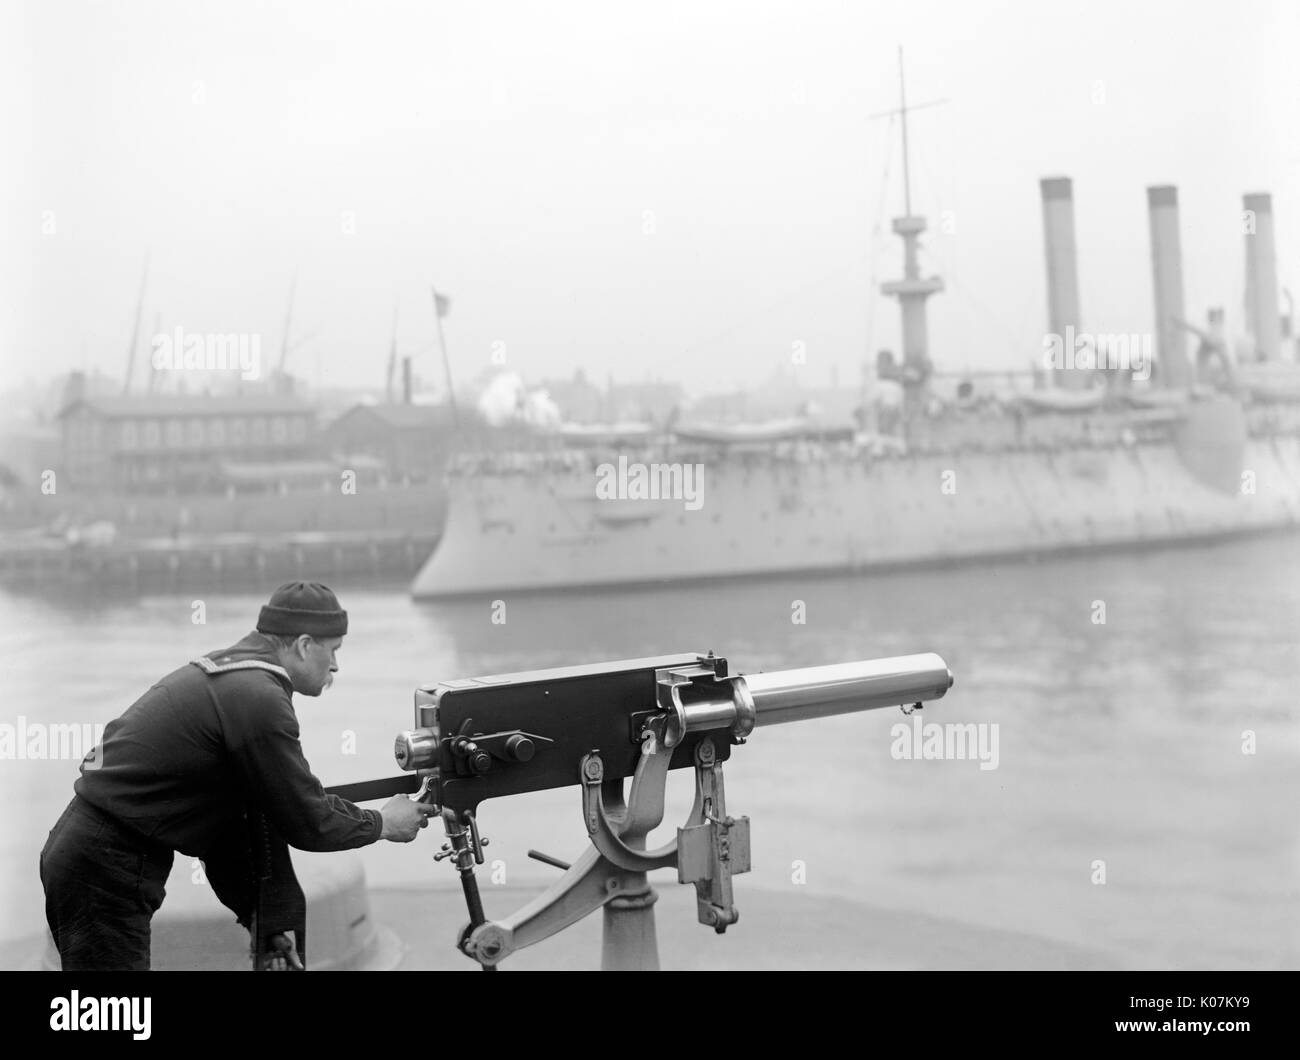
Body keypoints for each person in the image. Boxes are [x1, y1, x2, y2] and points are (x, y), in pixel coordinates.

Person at [39, 580, 437, 971]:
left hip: (89, 852)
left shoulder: (232, 676)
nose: (335, 665)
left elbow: (235, 826)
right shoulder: (259, 699)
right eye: (333, 650)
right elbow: (306, 819)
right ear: (302, 645)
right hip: (103, 867)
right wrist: (384, 823)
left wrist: (266, 918)